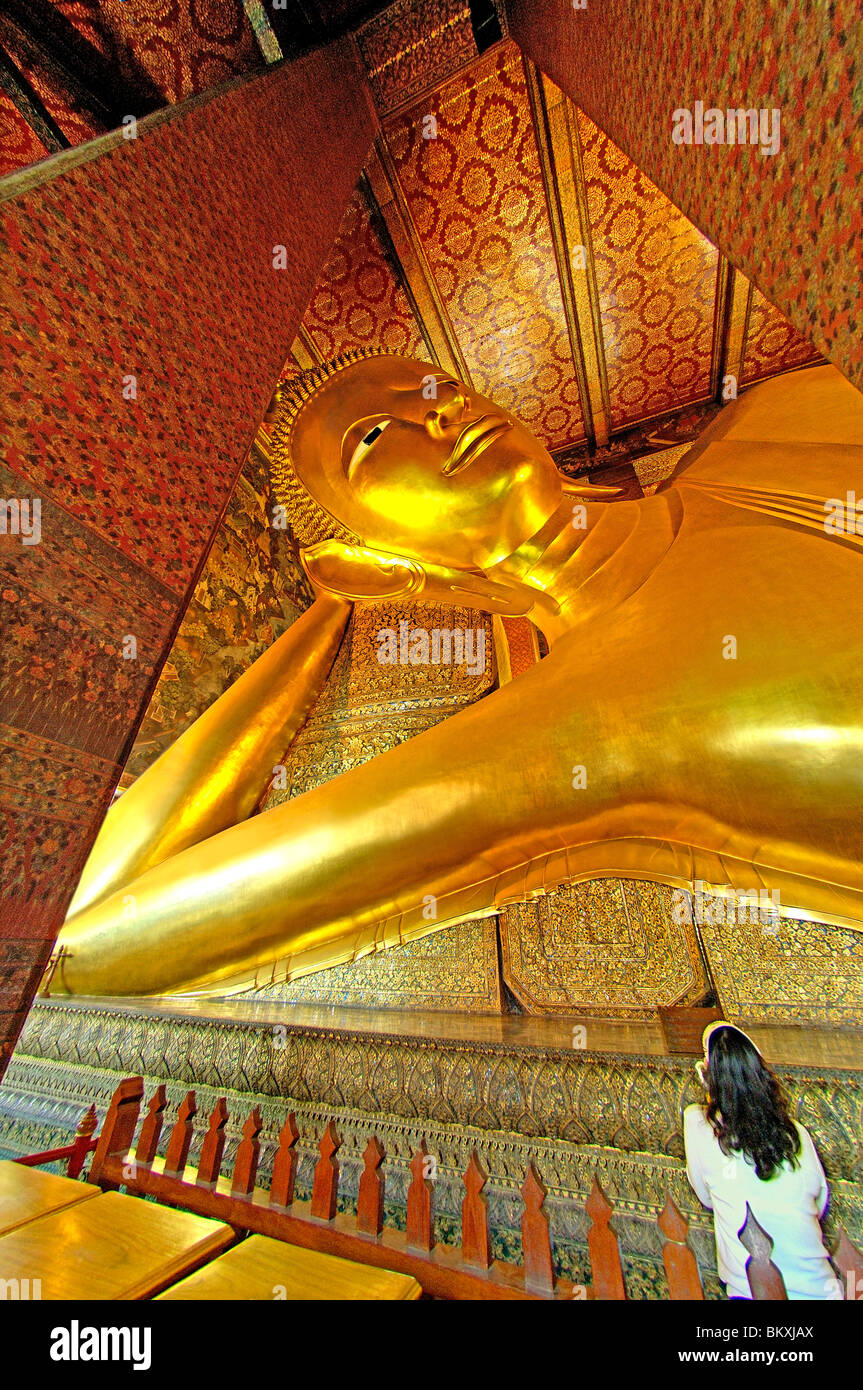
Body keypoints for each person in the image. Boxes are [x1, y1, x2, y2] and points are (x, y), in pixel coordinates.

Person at [684, 1022, 843, 1300]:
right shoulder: (797, 1135)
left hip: (750, 1291)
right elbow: (819, 1204)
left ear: (708, 1079)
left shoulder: (699, 1127)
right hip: (821, 1288)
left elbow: (706, 1197)